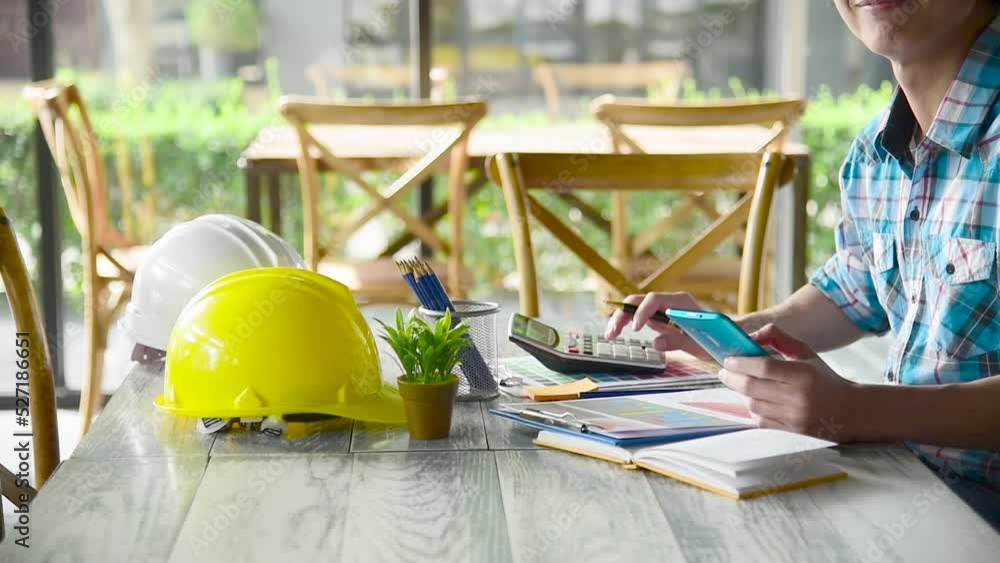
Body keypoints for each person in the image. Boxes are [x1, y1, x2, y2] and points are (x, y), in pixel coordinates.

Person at [606, 0, 1000, 526]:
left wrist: (857, 411)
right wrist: (724, 332)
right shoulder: (875, 149)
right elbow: (853, 290)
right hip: (903, 482)